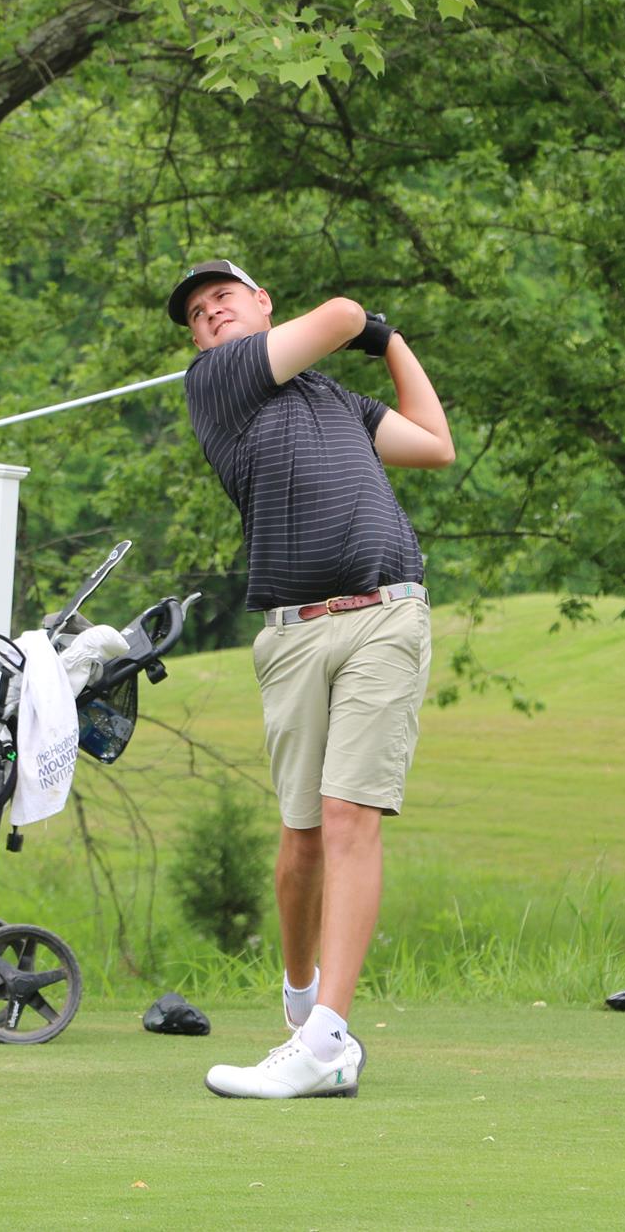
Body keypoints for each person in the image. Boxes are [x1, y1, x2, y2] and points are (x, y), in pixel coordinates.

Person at [168, 258, 454, 1098]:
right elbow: (338, 309)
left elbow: (433, 442)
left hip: (387, 613)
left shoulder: (338, 402)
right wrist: (367, 321)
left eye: (224, 297)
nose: (209, 313)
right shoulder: (216, 382)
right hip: (294, 634)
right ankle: (301, 997)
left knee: (347, 816)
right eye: (195, 311)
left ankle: (327, 1037)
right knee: (301, 839)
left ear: (263, 302)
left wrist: (392, 341)